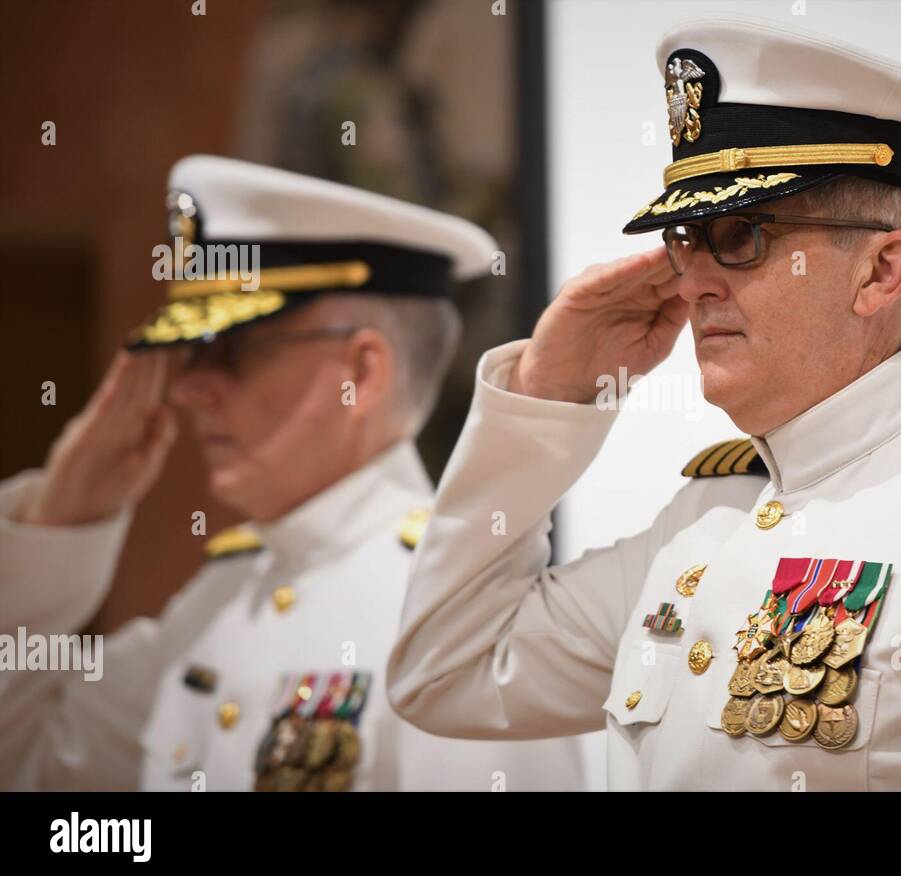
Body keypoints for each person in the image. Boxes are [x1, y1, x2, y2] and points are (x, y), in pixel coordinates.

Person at [386, 20, 901, 791]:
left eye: (742, 235)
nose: (691, 280)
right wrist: (547, 396)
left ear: (883, 271)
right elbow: (447, 671)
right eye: (689, 236)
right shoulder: (707, 516)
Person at [0, 155, 592, 791]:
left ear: (361, 373)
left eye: (230, 348)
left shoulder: (458, 619)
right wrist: (56, 522)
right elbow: (27, 769)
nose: (189, 387)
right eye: (191, 350)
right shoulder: (214, 602)